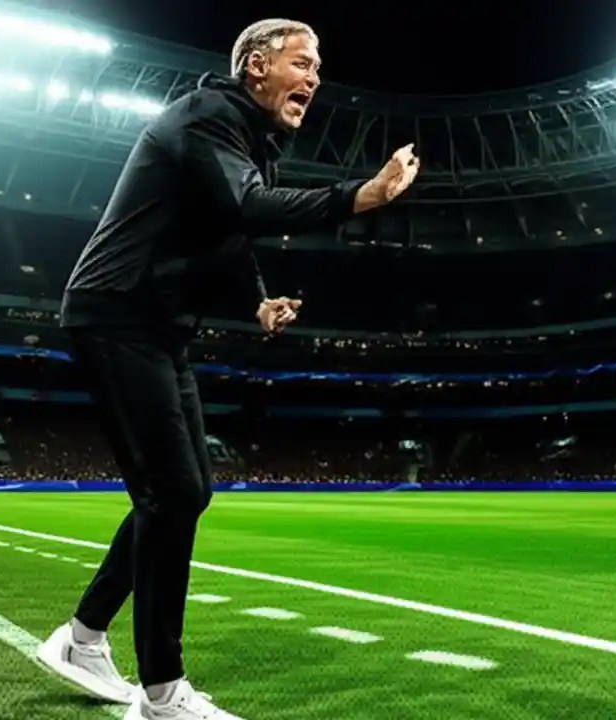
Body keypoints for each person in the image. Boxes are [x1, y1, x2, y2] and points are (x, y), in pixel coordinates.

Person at [32, 18, 418, 720]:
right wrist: (357, 196)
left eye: (319, 67)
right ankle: (160, 693)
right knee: (171, 491)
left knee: (184, 492)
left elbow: (231, 231)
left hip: (160, 327)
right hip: (117, 313)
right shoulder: (209, 114)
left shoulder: (250, 141)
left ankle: (83, 637)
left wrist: (259, 301)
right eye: (302, 62)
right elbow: (247, 207)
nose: (315, 78)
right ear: (256, 66)